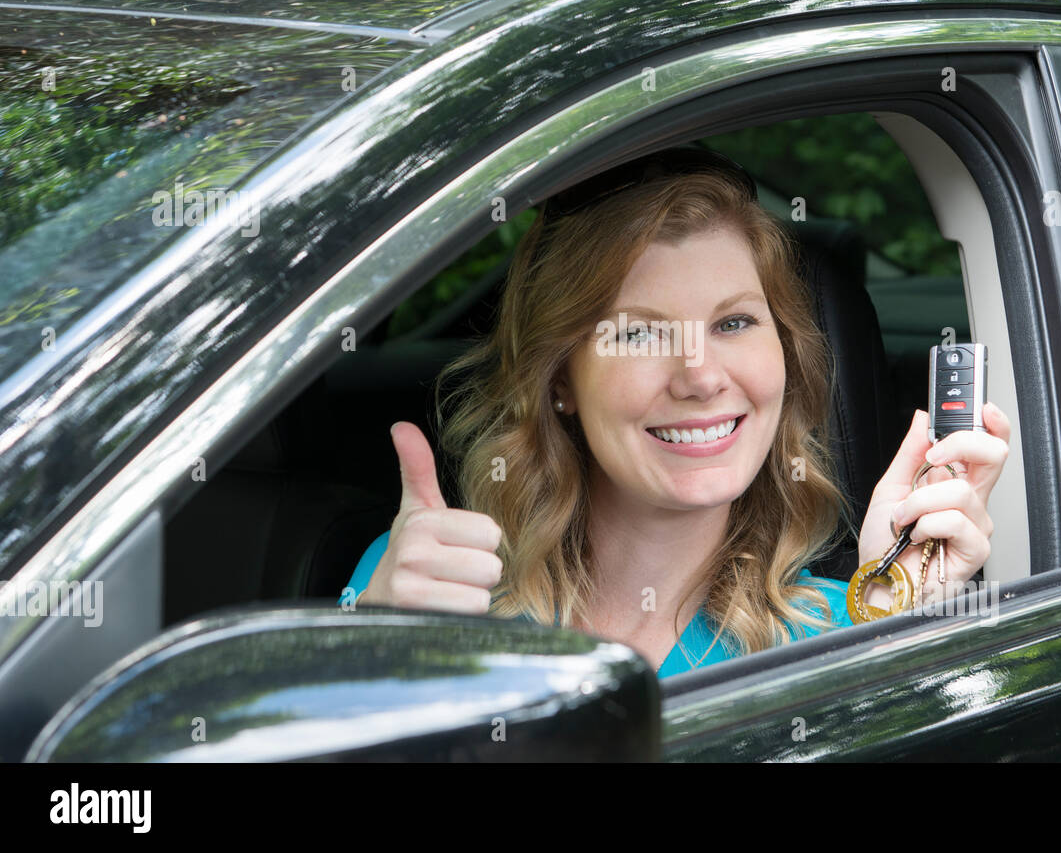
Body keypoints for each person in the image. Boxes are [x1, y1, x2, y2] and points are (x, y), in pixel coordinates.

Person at [342, 146, 1011, 677]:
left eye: (734, 321)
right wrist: (364, 662)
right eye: (639, 333)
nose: (699, 376)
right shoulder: (424, 582)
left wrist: (900, 633)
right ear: (559, 379)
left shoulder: (850, 629)